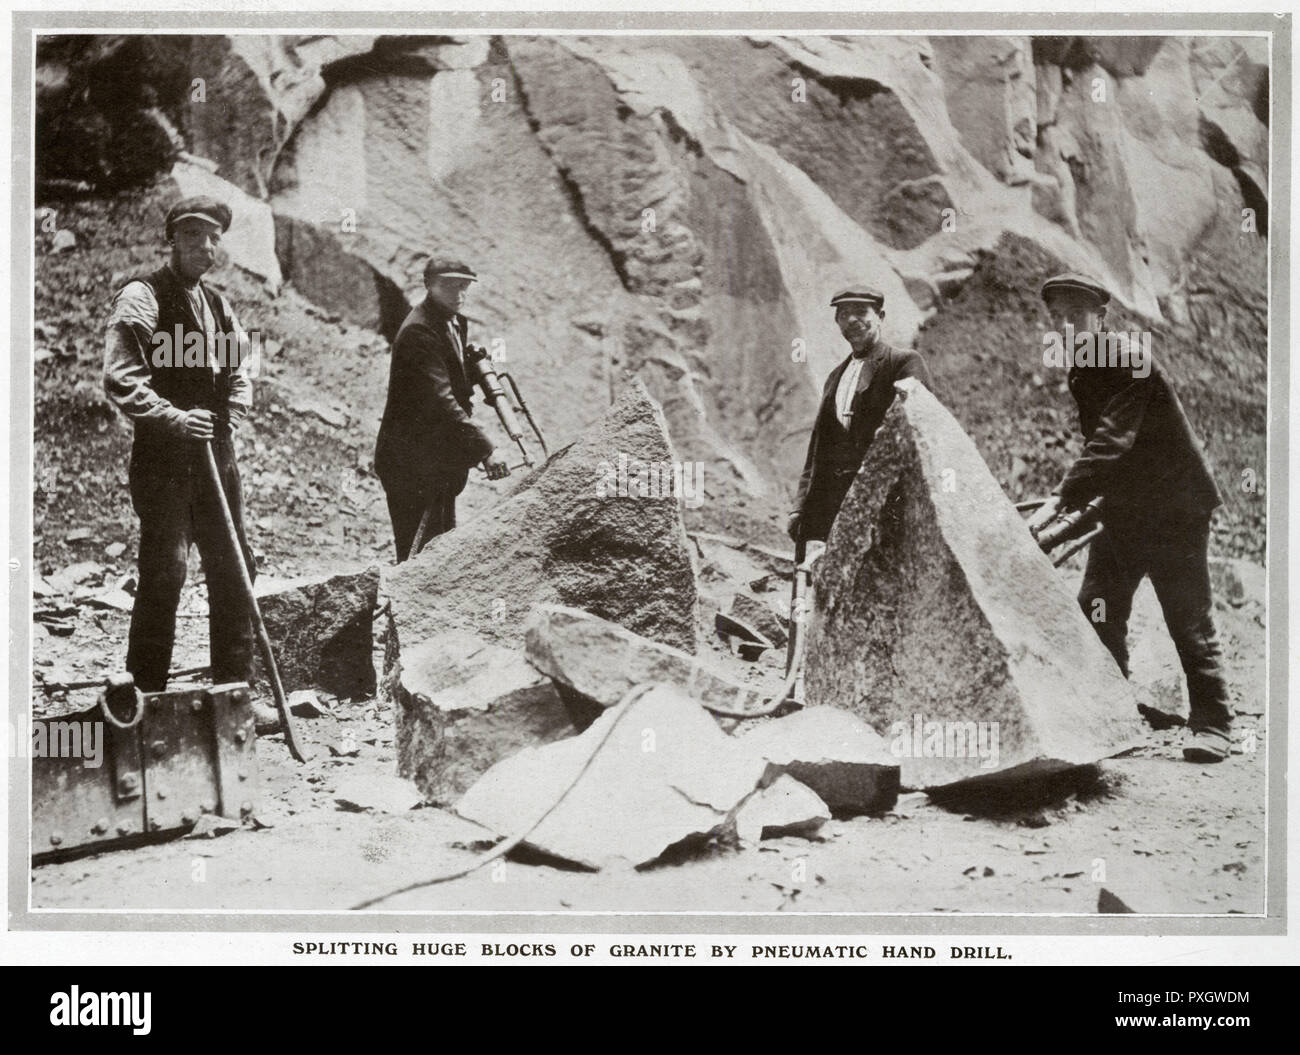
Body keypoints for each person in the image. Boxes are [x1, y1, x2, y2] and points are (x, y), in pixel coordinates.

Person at [1027, 272, 1232, 763]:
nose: (1066, 325)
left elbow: (1112, 440)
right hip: (1126, 508)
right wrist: (1081, 503)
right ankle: (1115, 713)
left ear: (1100, 317)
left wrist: (1063, 497)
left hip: (1175, 508)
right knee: (1098, 603)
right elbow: (1114, 450)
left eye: (1076, 315)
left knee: (1186, 613)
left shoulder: (1126, 357)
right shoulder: (1085, 364)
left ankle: (1215, 725)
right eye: (1058, 317)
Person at [102, 195, 256, 692]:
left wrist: (229, 414)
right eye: (193, 235)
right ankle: (146, 694)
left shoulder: (218, 305)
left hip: (218, 458)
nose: (205, 246)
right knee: (166, 572)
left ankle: (233, 690)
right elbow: (122, 380)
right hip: (165, 461)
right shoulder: (142, 297)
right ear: (172, 239)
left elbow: (238, 373)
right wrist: (174, 418)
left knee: (234, 567)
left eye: (213, 238)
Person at [374, 258, 510, 561]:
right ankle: (406, 607)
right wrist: (486, 450)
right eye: (449, 286)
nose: (459, 294)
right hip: (410, 466)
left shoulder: (454, 321)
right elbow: (441, 401)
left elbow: (449, 376)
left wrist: (472, 369)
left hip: (438, 461)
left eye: (463, 287)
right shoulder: (417, 332)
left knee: (440, 553)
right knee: (417, 556)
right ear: (428, 285)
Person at [788, 284, 934, 545]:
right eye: (844, 315)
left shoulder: (903, 363)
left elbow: (920, 433)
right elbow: (817, 448)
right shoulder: (835, 377)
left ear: (880, 317)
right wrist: (800, 505)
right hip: (832, 503)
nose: (852, 320)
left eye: (861, 312)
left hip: (884, 502)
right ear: (837, 322)